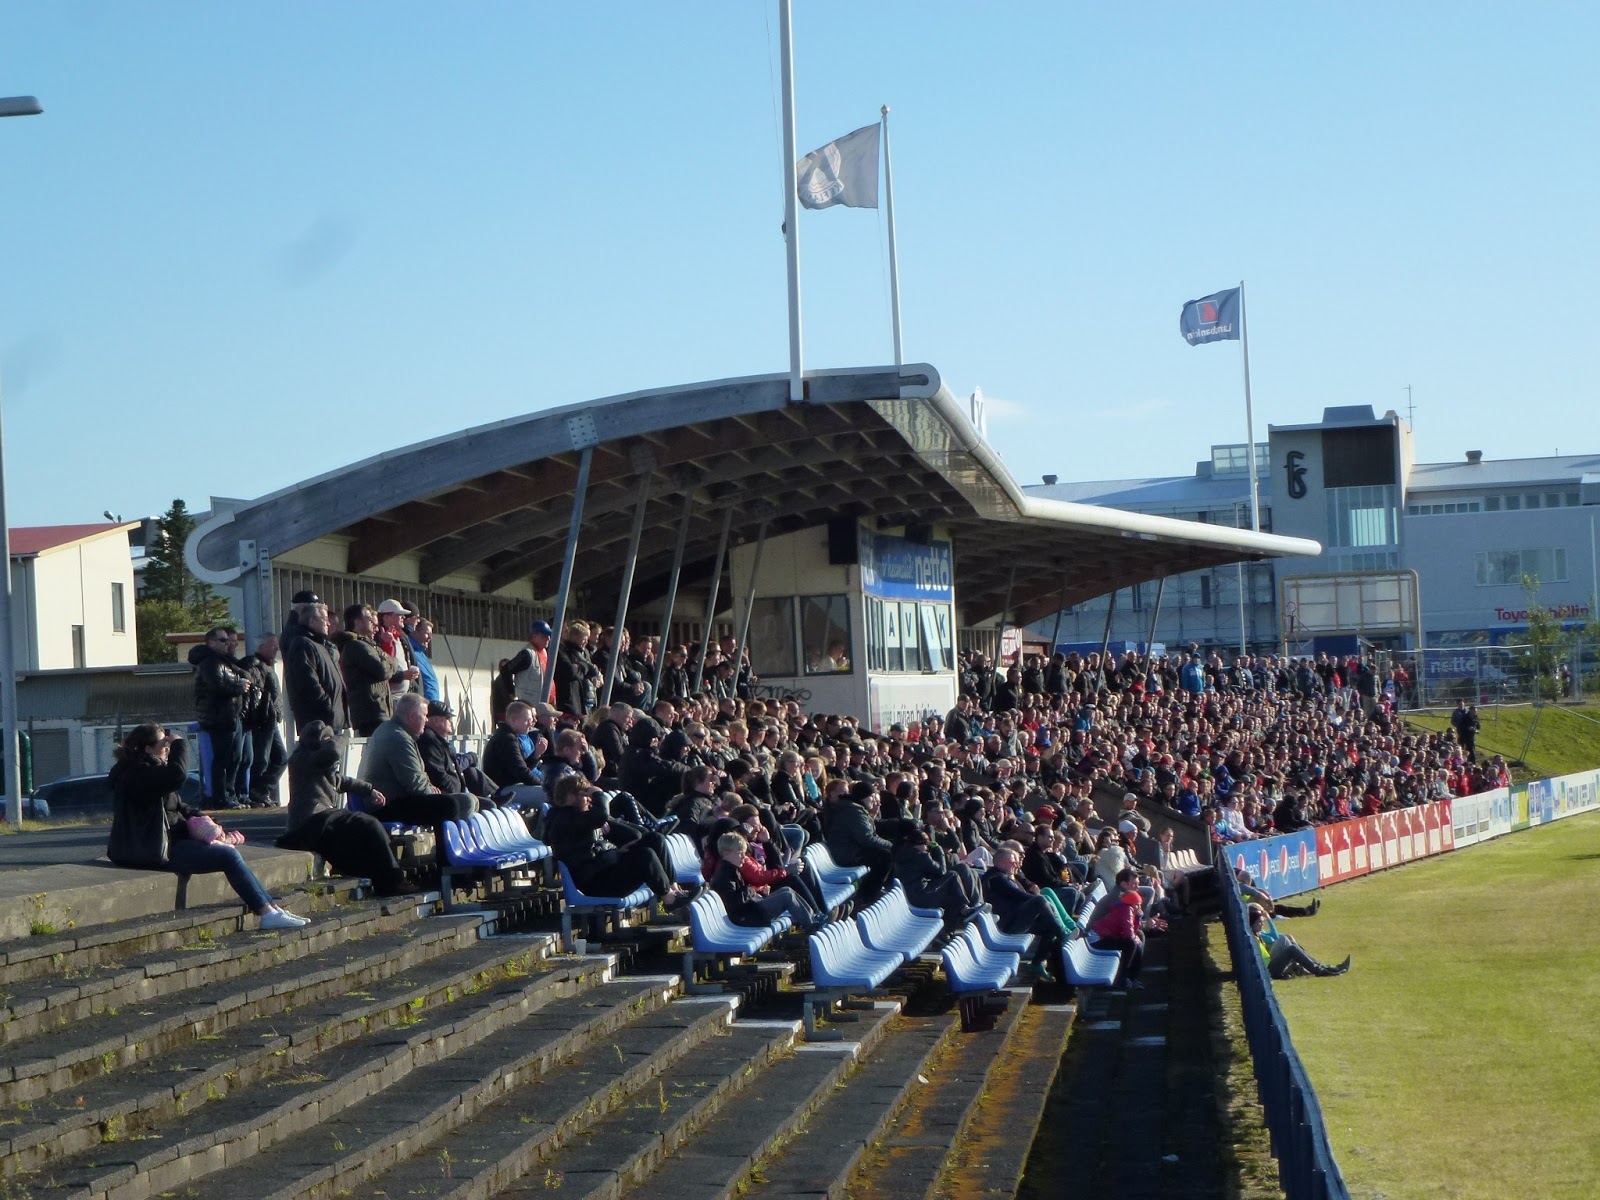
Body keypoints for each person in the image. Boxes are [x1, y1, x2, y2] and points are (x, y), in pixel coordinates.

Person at [106, 723, 307, 929]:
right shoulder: (136, 775)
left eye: (168, 743)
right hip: (152, 848)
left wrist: (210, 823)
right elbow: (177, 776)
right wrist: (179, 744)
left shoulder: (149, 772)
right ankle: (266, 913)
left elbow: (179, 807)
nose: (167, 748)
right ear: (148, 748)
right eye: (163, 743)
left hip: (166, 843)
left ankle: (273, 909)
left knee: (227, 850)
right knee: (228, 856)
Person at [277, 720, 418, 897]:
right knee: (368, 824)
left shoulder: (317, 762)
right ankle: (392, 883)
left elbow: (340, 780)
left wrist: (369, 790)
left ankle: (383, 878)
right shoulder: (302, 759)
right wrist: (340, 737)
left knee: (362, 832)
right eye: (326, 740)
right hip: (309, 821)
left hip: (321, 819)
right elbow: (334, 752)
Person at [542, 773, 691, 908]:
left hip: (606, 868)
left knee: (655, 839)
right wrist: (599, 795)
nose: (589, 799)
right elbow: (598, 821)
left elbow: (635, 834)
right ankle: (669, 899)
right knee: (645, 856)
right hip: (595, 883)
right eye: (585, 795)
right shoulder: (562, 819)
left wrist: (616, 850)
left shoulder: (583, 816)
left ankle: (675, 889)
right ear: (570, 796)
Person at [358, 693, 476, 827]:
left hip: (396, 799)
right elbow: (414, 784)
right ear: (412, 717)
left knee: (468, 801)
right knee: (453, 804)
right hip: (386, 804)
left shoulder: (396, 731)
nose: (426, 720)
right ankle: (446, 840)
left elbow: (417, 777)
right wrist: (432, 791)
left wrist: (430, 788)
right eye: (424, 715)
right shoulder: (399, 738)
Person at [190, 626, 254, 809]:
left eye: (228, 640)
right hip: (219, 718)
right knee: (223, 759)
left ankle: (230, 795)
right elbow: (217, 686)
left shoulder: (224, 661)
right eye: (222, 640)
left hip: (231, 716)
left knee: (235, 758)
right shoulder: (210, 662)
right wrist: (239, 687)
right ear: (210, 642)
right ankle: (221, 797)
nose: (227, 644)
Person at [707, 830, 821, 931]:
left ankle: (814, 919)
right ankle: (812, 926)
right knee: (787, 896)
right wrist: (750, 890)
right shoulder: (724, 875)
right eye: (740, 853)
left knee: (787, 890)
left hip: (750, 910)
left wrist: (756, 892)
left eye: (744, 853)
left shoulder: (732, 869)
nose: (743, 857)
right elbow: (733, 903)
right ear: (727, 854)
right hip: (745, 917)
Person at [283, 599, 348, 737]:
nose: (328, 624)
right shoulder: (303, 644)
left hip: (331, 720)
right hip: (318, 722)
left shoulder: (321, 645)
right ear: (312, 621)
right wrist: (328, 705)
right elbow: (308, 683)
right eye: (324, 619)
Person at [241, 634, 288, 808]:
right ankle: (257, 791)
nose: (276, 649)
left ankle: (261, 790)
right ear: (261, 647)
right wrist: (262, 712)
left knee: (279, 758)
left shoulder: (266, 666)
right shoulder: (254, 665)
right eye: (272, 645)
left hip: (270, 719)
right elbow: (255, 692)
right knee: (263, 758)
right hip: (263, 719)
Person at [1248, 904, 1350, 979]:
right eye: (1259, 922)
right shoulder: (1252, 938)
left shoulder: (1257, 934)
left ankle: (1324, 968)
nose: (1262, 924)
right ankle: (1320, 970)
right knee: (1290, 946)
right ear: (1252, 924)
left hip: (1268, 967)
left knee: (1291, 945)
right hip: (1267, 970)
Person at [1088, 868, 1146, 989]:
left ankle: (1131, 978)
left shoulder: (1123, 898)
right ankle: (1124, 979)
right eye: (1134, 884)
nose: (1137, 887)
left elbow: (1124, 925)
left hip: (1105, 933)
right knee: (1131, 943)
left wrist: (1140, 921)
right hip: (1097, 937)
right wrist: (1143, 923)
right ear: (1124, 884)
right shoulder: (1120, 900)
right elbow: (1126, 927)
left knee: (1137, 938)